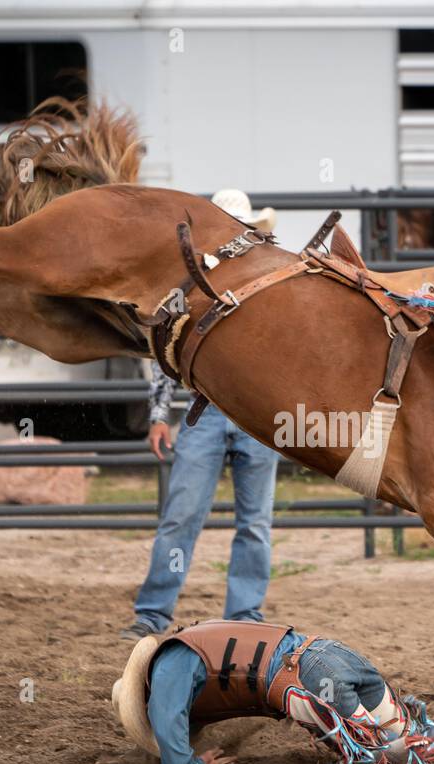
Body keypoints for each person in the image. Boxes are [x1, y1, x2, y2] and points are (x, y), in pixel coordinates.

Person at [119, 191, 282, 641]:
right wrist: (158, 414)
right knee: (185, 515)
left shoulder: (272, 282)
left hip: (252, 416)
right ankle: (154, 613)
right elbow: (163, 347)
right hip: (207, 411)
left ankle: (241, 618)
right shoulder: (187, 285)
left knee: (251, 521)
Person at [112, 619, 434, 764]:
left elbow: (172, 742)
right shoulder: (198, 638)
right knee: (408, 730)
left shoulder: (168, 667)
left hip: (304, 682)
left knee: (375, 757)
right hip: (330, 654)